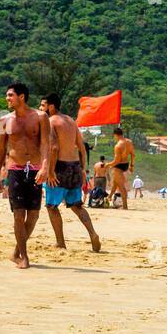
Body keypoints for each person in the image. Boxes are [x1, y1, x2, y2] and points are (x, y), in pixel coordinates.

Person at [0, 82, 48, 269]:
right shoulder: (4, 120)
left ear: (21, 96)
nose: (7, 98)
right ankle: (24, 257)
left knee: (33, 215)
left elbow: (45, 144)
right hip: (15, 169)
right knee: (18, 214)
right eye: (7, 95)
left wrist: (45, 167)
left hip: (35, 169)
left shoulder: (41, 117)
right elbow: (1, 150)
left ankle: (16, 251)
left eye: (10, 95)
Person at [39, 93, 101, 252]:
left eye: (43, 106)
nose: (41, 109)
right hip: (74, 166)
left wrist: (51, 171)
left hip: (59, 166)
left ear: (51, 106)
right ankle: (93, 234)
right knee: (77, 206)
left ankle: (60, 242)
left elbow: (53, 148)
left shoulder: (51, 121)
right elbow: (81, 147)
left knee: (51, 206)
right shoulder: (71, 121)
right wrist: (82, 169)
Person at [108, 128, 135, 210]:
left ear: (115, 135)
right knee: (115, 182)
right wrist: (131, 166)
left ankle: (125, 206)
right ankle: (109, 197)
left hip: (118, 166)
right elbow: (133, 155)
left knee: (121, 186)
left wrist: (107, 164)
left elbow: (116, 161)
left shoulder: (118, 146)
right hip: (126, 164)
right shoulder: (129, 142)